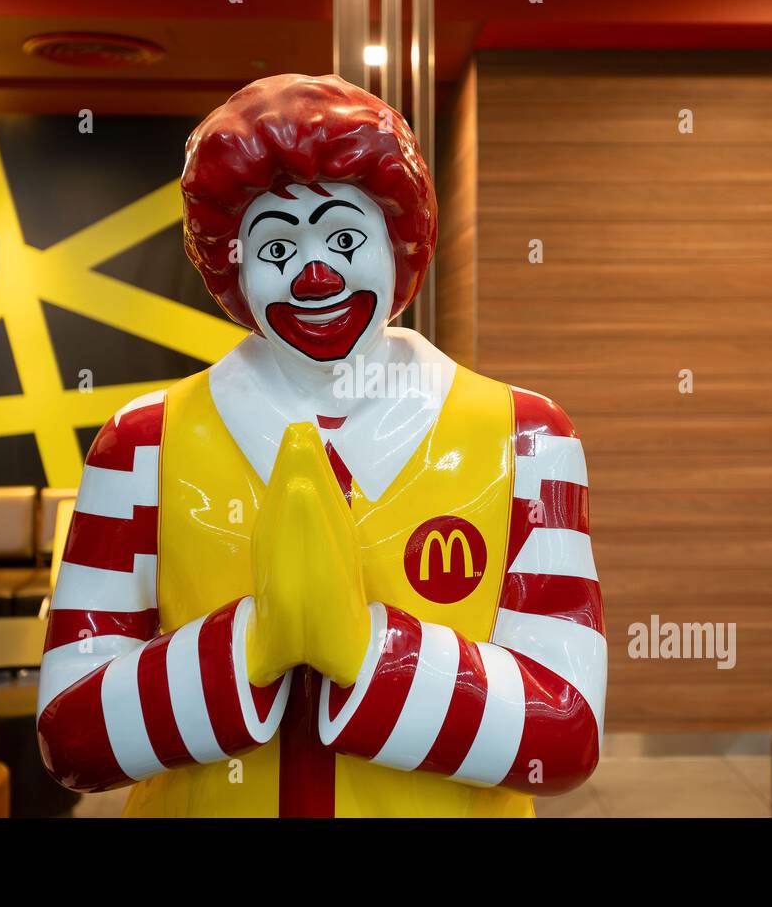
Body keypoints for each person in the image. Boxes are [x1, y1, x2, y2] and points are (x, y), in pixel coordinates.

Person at [36, 74, 606, 817]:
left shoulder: (528, 440)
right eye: (277, 245)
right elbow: (71, 736)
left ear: (399, 244)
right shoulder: (142, 446)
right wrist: (251, 646)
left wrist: (368, 653)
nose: (315, 275)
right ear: (231, 263)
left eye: (344, 237)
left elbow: (567, 733)